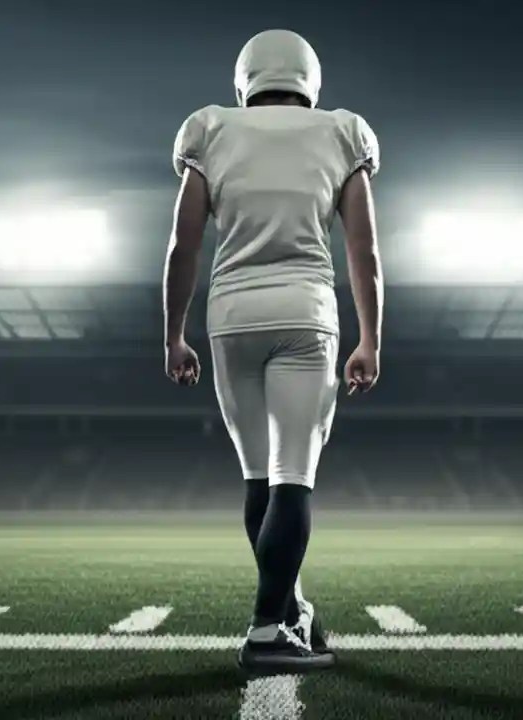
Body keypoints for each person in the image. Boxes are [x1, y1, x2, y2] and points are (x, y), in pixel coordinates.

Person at [161, 28, 384, 674]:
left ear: (245, 80)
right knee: (295, 478)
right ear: (309, 81)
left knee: (260, 477)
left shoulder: (210, 128)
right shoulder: (342, 132)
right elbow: (362, 251)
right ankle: (267, 629)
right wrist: (371, 338)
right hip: (305, 314)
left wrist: (173, 335)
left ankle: (290, 609)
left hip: (231, 315)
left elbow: (184, 246)